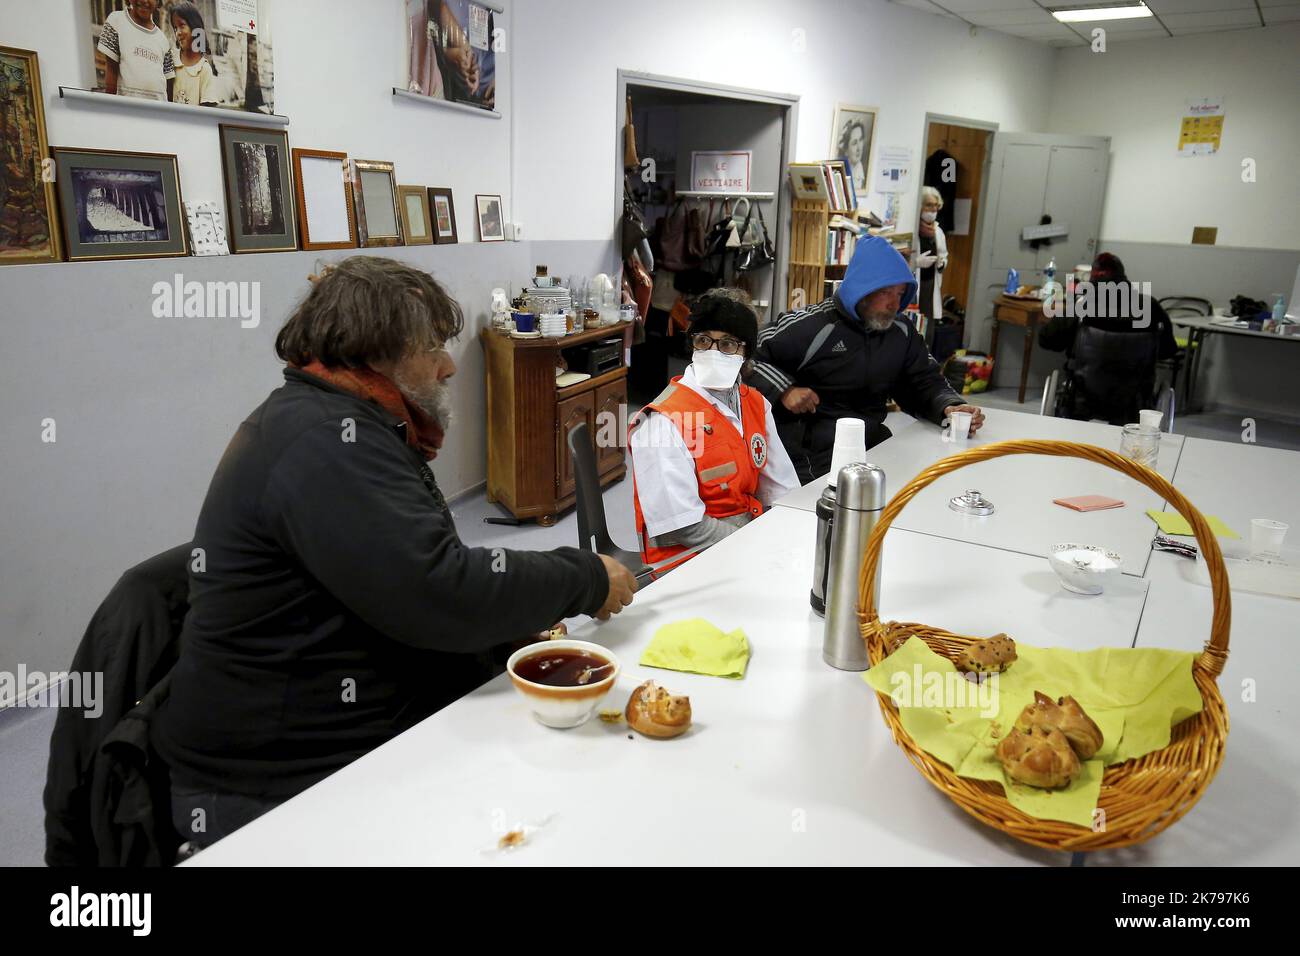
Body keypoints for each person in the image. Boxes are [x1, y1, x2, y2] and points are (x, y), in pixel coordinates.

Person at [151, 257, 637, 847]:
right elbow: (439, 591)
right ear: (377, 352)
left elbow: (408, 570)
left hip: (322, 727)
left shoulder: (334, 420)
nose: (448, 364)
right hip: (273, 783)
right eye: (432, 345)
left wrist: (511, 628)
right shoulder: (327, 443)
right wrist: (583, 575)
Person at [748, 236, 984, 482]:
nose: (895, 303)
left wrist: (949, 406)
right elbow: (745, 353)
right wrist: (785, 390)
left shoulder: (901, 331)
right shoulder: (813, 325)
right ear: (861, 288)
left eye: (901, 293)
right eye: (885, 292)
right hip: (809, 457)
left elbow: (924, 380)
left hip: (871, 444)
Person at [630, 290, 798, 573]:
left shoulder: (755, 404)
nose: (713, 352)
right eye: (703, 340)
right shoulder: (663, 420)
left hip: (743, 541)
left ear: (745, 353)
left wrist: (786, 538)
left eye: (729, 344)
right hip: (687, 563)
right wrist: (756, 546)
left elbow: (782, 491)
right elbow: (684, 528)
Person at [1039, 252, 1179, 425]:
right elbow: (1168, 350)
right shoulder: (1150, 307)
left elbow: (1047, 340)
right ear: (1123, 277)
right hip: (1134, 402)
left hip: (1082, 399)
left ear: (1094, 276)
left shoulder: (1082, 305)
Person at [98, 0, 175, 102]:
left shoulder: (162, 39)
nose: (144, 1)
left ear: (158, 2)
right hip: (128, 109)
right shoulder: (117, 21)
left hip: (157, 111)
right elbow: (111, 70)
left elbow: (168, 83)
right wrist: (109, 108)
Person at [911, 186, 949, 323]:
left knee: (928, 326)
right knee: (912, 323)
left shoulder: (938, 232)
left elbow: (944, 255)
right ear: (920, 206)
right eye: (928, 205)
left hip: (930, 285)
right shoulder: (912, 229)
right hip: (913, 283)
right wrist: (915, 263)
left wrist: (941, 263)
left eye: (935, 206)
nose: (933, 210)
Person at [169, 2, 217, 107]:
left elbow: (208, 112)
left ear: (195, 27)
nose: (178, 33)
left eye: (182, 25)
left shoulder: (204, 69)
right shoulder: (171, 60)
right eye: (175, 28)